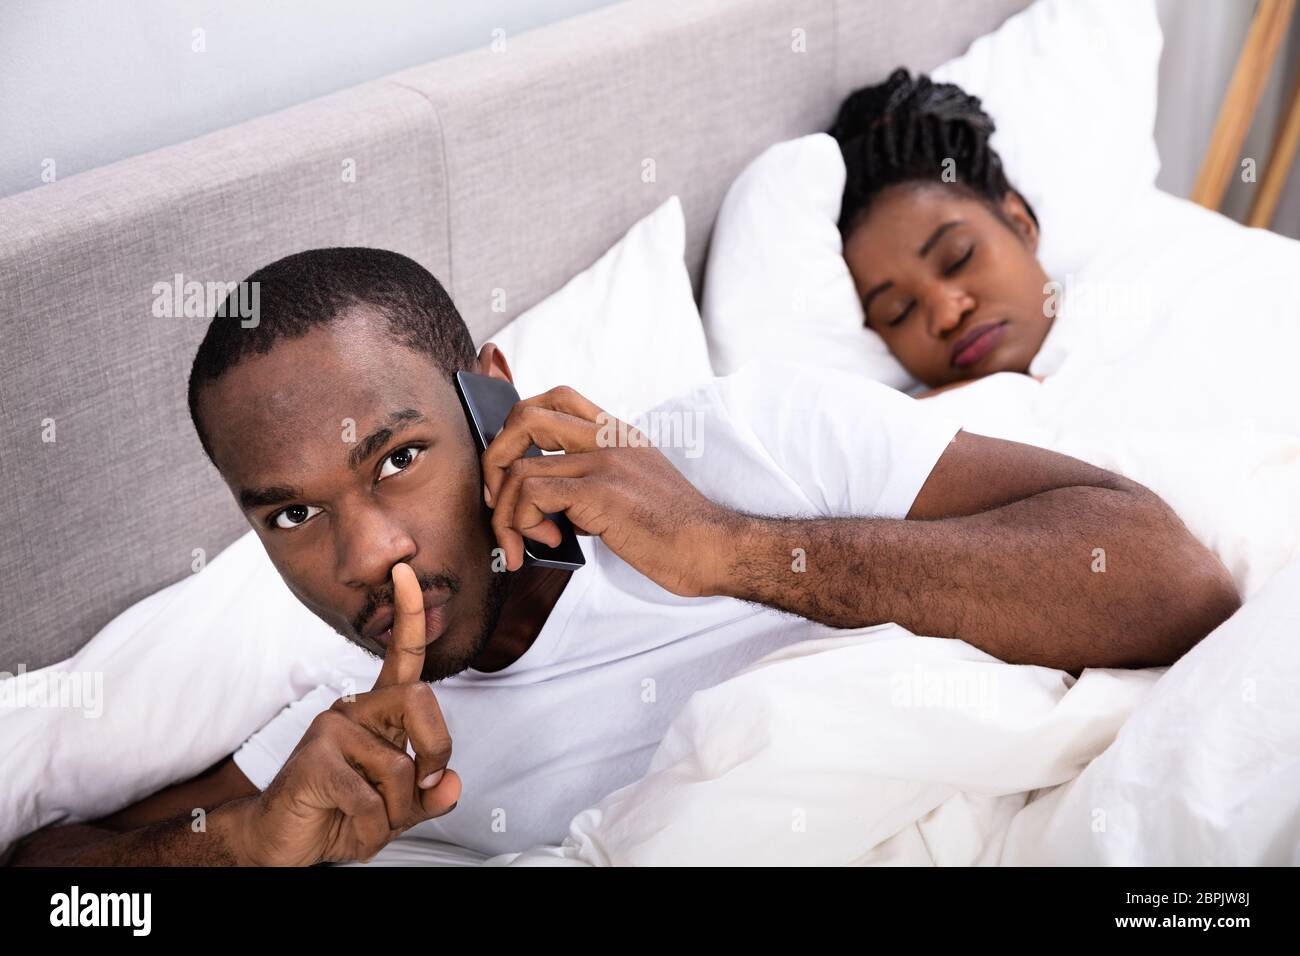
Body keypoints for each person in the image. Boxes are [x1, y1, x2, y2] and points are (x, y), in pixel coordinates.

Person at [8, 248, 1238, 866]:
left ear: (488, 392)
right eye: (289, 515)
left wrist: (742, 553)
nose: (366, 550)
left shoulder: (748, 439)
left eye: (394, 460)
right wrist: (240, 841)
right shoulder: (367, 733)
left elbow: (1165, 578)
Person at [830, 68, 1053, 396]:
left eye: (957, 258)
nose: (948, 315)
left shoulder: (1144, 309)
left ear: (1022, 224)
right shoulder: (892, 431)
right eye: (899, 311)